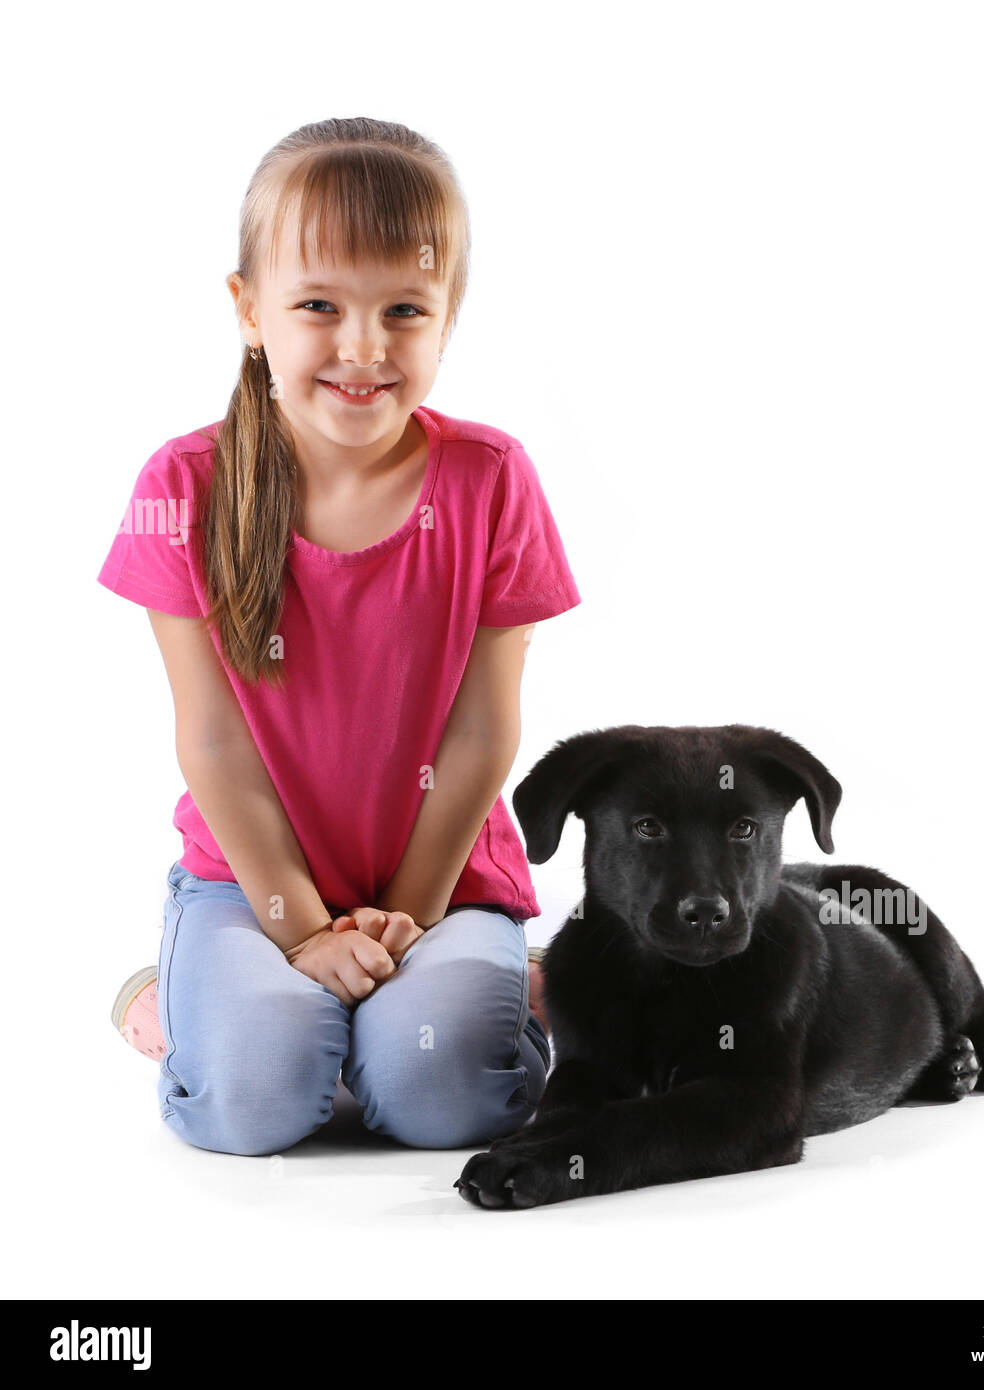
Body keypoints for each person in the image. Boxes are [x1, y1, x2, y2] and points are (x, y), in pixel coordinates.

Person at [98, 117, 581, 1157]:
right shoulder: (182, 488)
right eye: (319, 305)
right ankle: (181, 995)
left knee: (449, 1098)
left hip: (440, 879)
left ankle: (474, 996)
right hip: (248, 876)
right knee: (251, 1103)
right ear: (250, 310)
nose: (362, 347)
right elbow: (216, 741)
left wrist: (402, 918)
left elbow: (480, 733)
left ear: (447, 321)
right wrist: (301, 929)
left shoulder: (490, 480)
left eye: (403, 310)